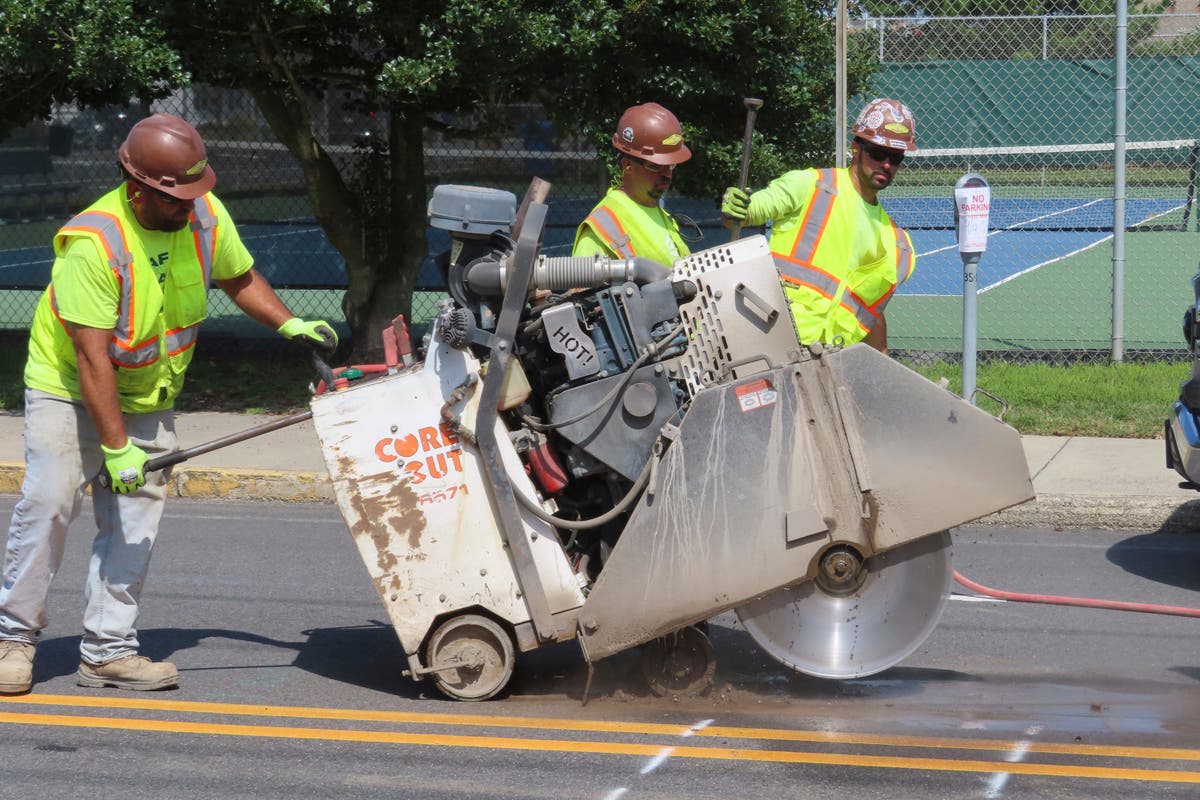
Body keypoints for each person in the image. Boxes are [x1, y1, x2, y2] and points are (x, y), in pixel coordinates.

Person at [0, 113, 337, 694]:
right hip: (69, 388)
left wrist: (289, 324)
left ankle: (107, 651)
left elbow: (239, 278)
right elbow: (91, 359)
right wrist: (116, 449)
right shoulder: (94, 243)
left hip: (147, 391)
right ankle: (13, 639)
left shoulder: (202, 212)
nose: (189, 206)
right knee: (49, 503)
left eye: (194, 192)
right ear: (138, 189)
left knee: (135, 519)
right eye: (176, 197)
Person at [721, 98, 918, 354]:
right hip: (772, 336)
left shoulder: (894, 240)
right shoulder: (811, 186)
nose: (886, 164)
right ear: (856, 148)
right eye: (878, 153)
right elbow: (747, 212)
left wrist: (881, 362)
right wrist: (736, 207)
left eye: (896, 157)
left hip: (831, 357)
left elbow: (869, 313)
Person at [572, 102, 693, 267]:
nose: (667, 174)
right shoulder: (602, 228)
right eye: (655, 166)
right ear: (627, 165)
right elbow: (581, 282)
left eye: (671, 165)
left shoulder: (661, 215)